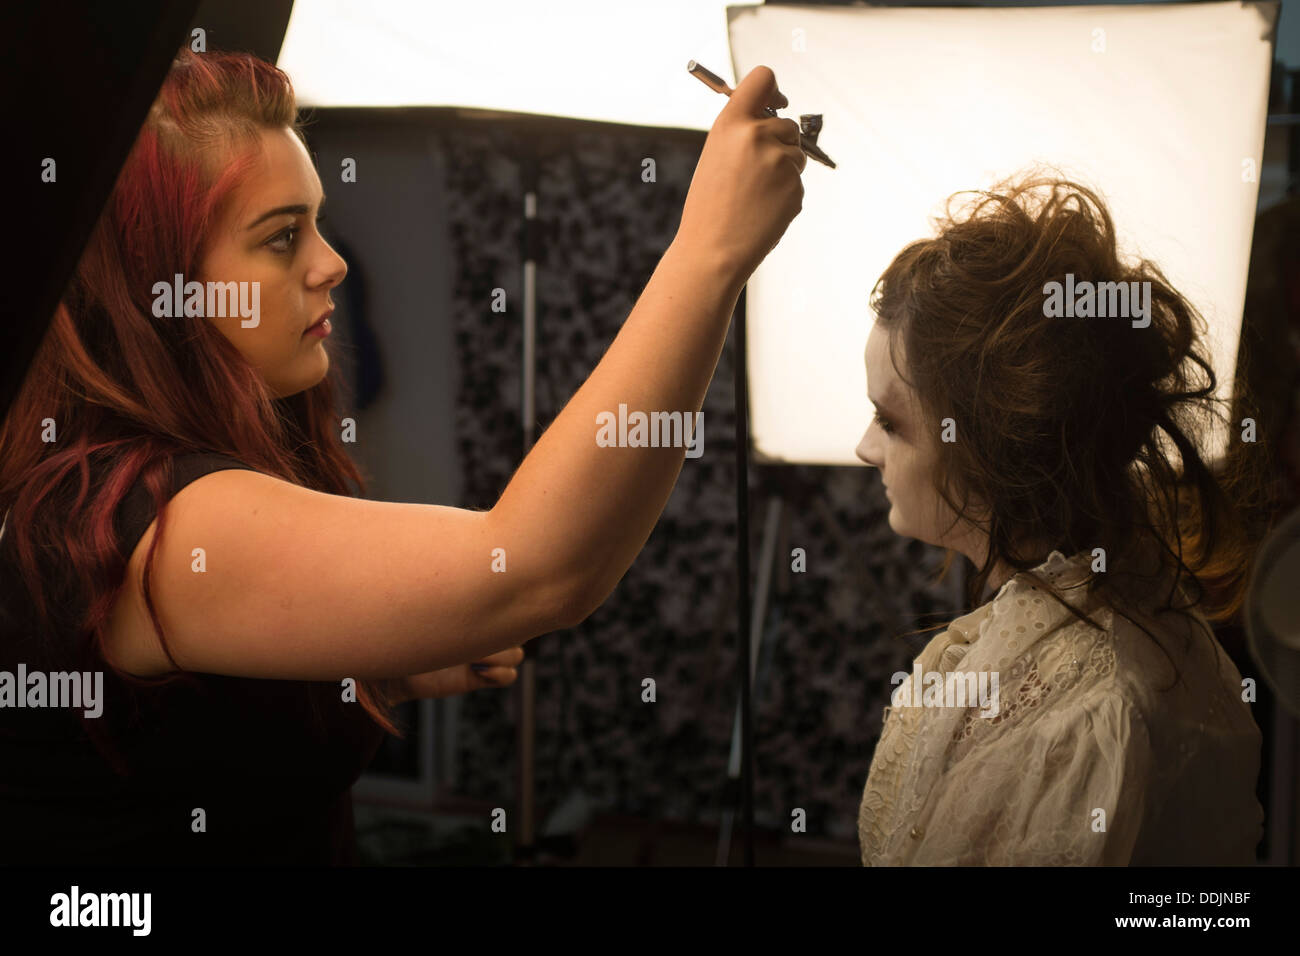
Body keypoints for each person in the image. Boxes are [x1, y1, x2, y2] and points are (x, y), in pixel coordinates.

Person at [0, 48, 805, 864]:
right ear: (154, 285)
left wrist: (361, 673)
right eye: (282, 238)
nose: (332, 262)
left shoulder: (142, 483)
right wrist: (708, 254)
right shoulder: (164, 522)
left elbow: (182, 732)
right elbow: (536, 570)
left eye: (317, 223)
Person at [853, 173, 1266, 865]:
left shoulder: (1085, 720)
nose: (864, 449)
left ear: (989, 450)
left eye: (890, 422)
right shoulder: (1098, 636)